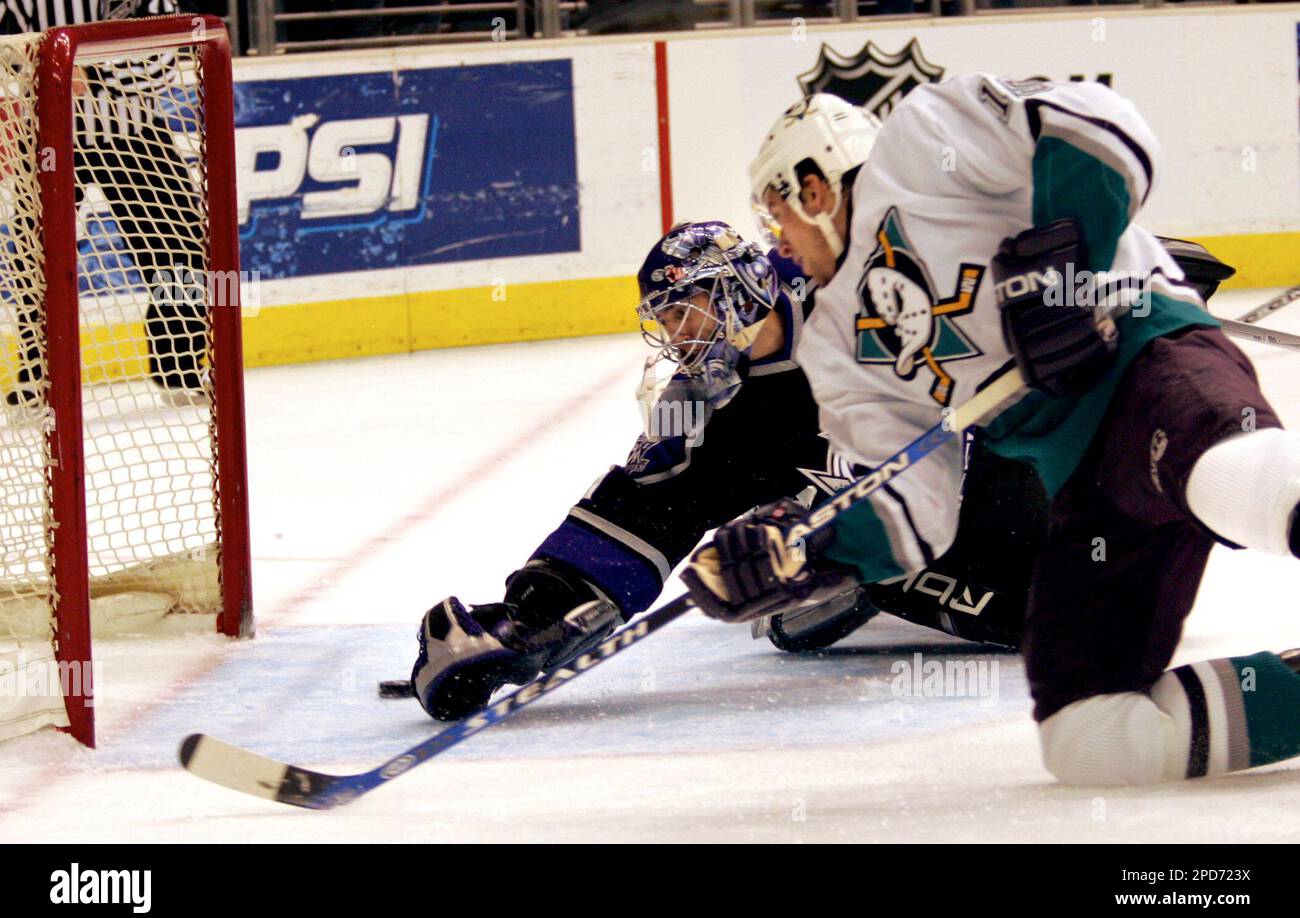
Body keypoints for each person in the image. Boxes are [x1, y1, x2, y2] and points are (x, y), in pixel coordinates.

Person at [682, 83, 1300, 786]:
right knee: (1090, 741)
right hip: (1086, 481)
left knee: (1226, 471)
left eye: (776, 212)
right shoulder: (834, 347)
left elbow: (1101, 125)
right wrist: (807, 549)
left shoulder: (919, 145)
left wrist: (1068, 269)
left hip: (1141, 355)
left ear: (815, 185)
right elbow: (914, 513)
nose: (776, 240)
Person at [410, 219, 1050, 722]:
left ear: (735, 289)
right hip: (911, 548)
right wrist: (525, 626)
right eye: (662, 323)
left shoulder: (848, 293)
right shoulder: (698, 409)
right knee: (1047, 617)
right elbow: (632, 513)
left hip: (1005, 469)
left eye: (683, 312)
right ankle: (842, 578)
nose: (677, 337)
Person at [2, 0, 209, 409]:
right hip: (49, 135)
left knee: (182, 245)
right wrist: (40, 61)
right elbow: (8, 50)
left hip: (134, 131)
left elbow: (164, 65)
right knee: (36, 257)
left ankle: (180, 367)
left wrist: (94, 67)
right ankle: (36, 375)